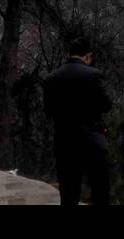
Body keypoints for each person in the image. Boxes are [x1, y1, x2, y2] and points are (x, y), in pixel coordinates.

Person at [42, 36, 112, 205]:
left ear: (69, 54)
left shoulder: (51, 78)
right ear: (88, 56)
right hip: (92, 140)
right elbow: (106, 105)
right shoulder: (94, 75)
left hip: (65, 141)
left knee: (68, 194)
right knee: (100, 190)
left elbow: (48, 110)